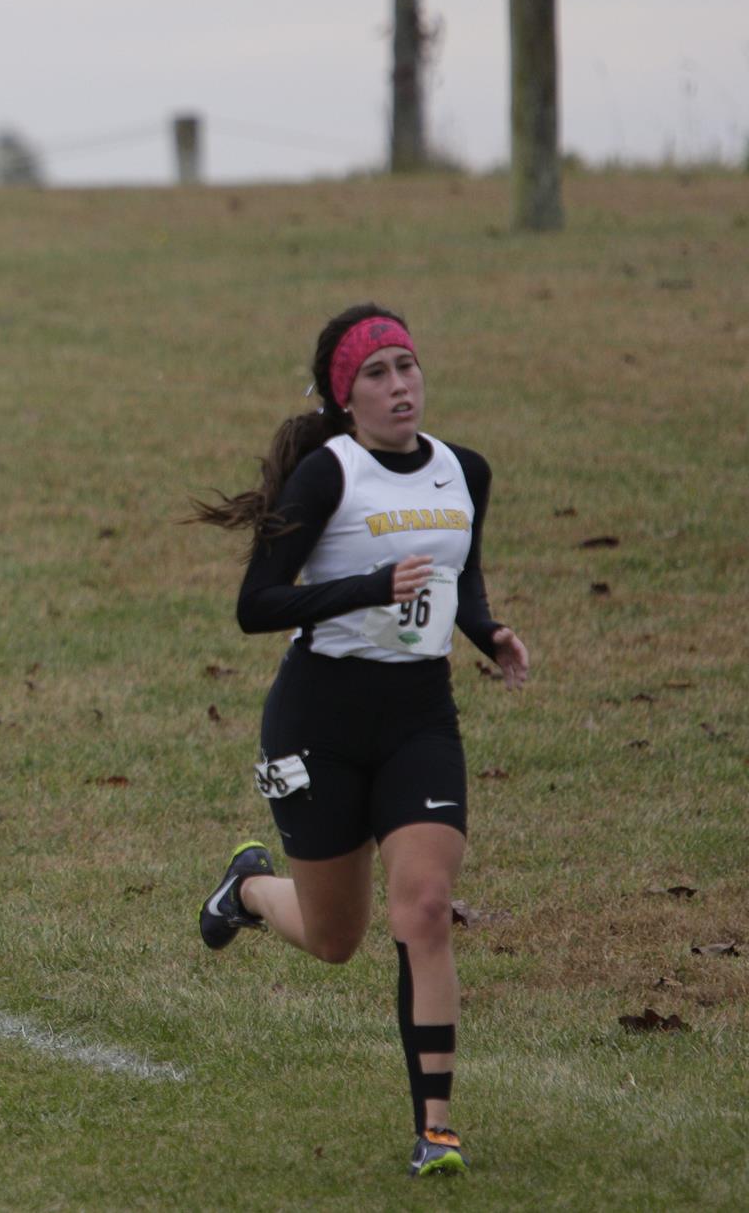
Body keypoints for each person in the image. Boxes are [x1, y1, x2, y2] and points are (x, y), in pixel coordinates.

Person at [188, 305, 529, 1177]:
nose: (399, 385)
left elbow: (461, 571)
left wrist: (484, 633)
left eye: (407, 365)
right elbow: (255, 605)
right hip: (319, 722)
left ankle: (437, 1127)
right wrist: (368, 585)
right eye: (375, 374)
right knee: (337, 938)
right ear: (346, 397)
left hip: (421, 718)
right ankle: (251, 888)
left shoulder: (465, 470)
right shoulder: (326, 478)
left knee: (422, 908)